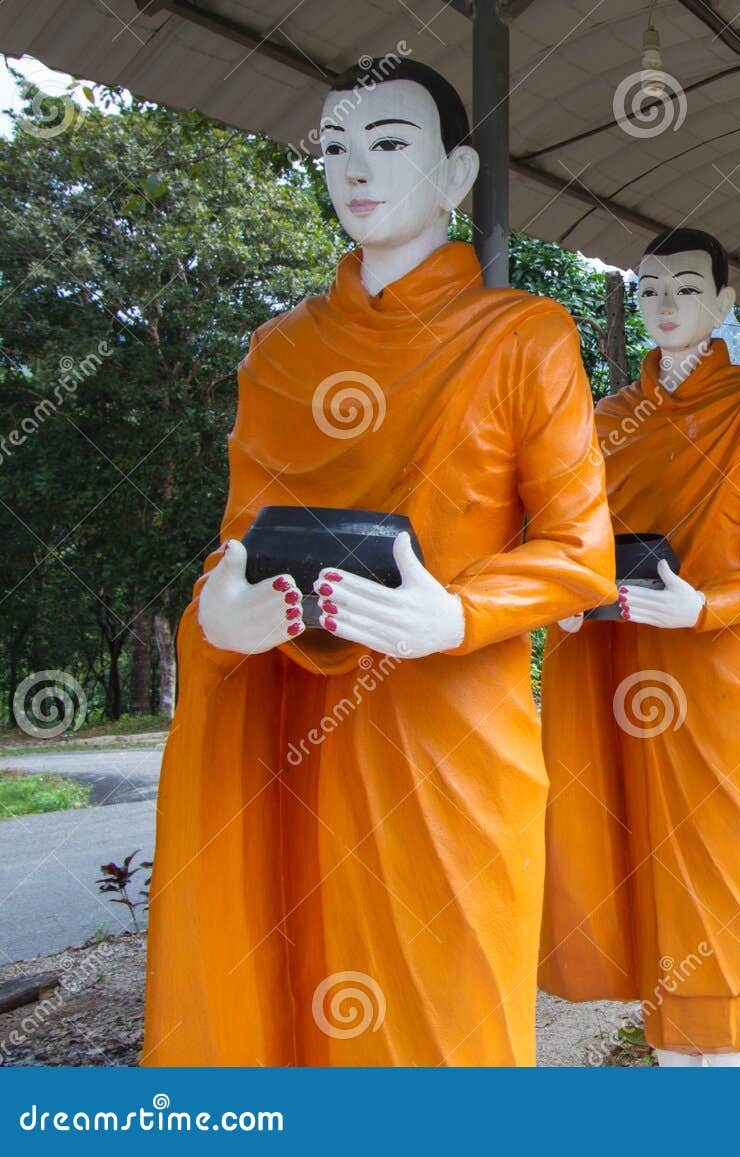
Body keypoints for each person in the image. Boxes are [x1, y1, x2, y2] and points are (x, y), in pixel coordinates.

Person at [143, 60, 615, 1065]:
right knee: (309, 1004)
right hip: (298, 733)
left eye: (390, 143)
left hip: (452, 740)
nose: (357, 170)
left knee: (453, 1029)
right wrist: (218, 616)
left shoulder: (524, 333)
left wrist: (455, 613)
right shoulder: (278, 350)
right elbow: (235, 543)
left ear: (454, 173)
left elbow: (582, 551)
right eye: (334, 149)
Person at [540, 229, 740, 1066]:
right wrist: (565, 595)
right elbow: (578, 537)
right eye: (650, 287)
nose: (665, 305)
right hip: (624, 662)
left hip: (720, 672)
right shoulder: (609, 417)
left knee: (721, 857)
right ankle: (675, 1049)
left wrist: (708, 605)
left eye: (686, 288)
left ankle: (738, 1052)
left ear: (726, 304)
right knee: (643, 851)